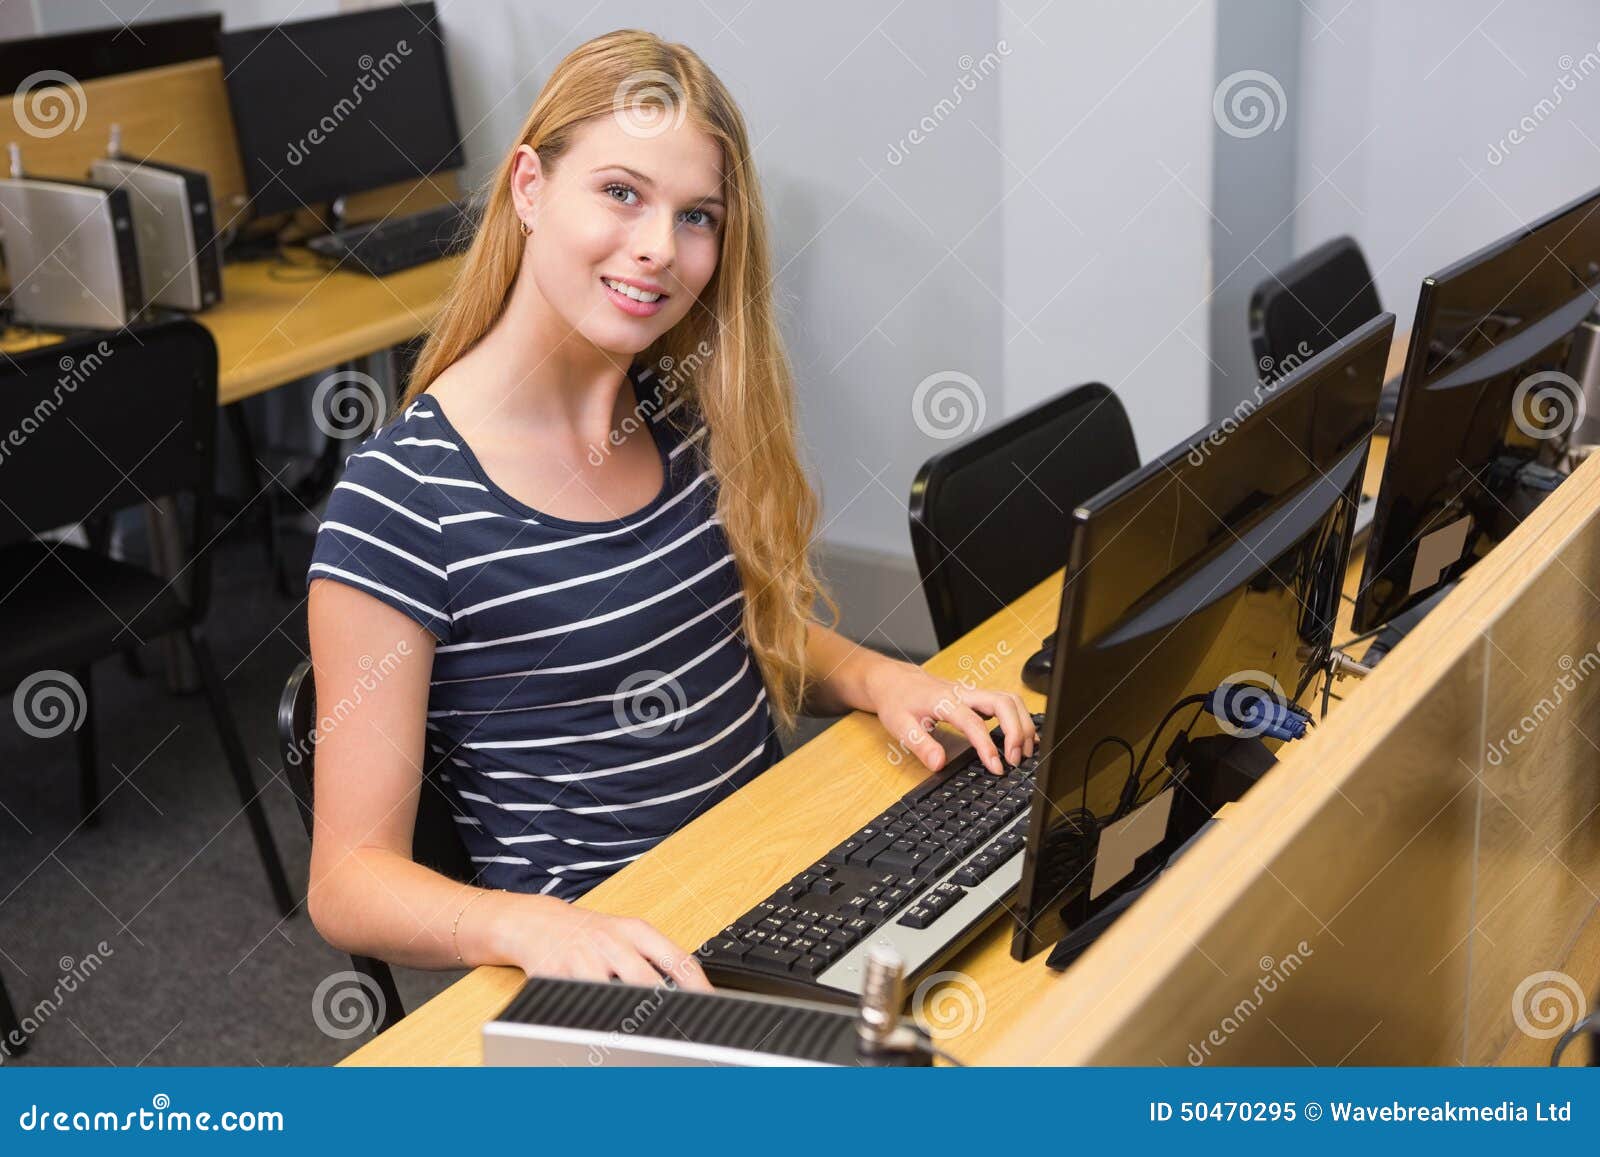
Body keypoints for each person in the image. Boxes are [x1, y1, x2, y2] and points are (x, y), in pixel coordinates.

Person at [305, 29, 1036, 991]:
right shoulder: (403, 504)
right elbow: (348, 881)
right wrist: (527, 927)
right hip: (619, 968)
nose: (659, 248)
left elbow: (728, 631)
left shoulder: (672, 411)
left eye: (697, 216)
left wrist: (879, 679)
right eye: (621, 192)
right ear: (529, 188)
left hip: (765, 891)